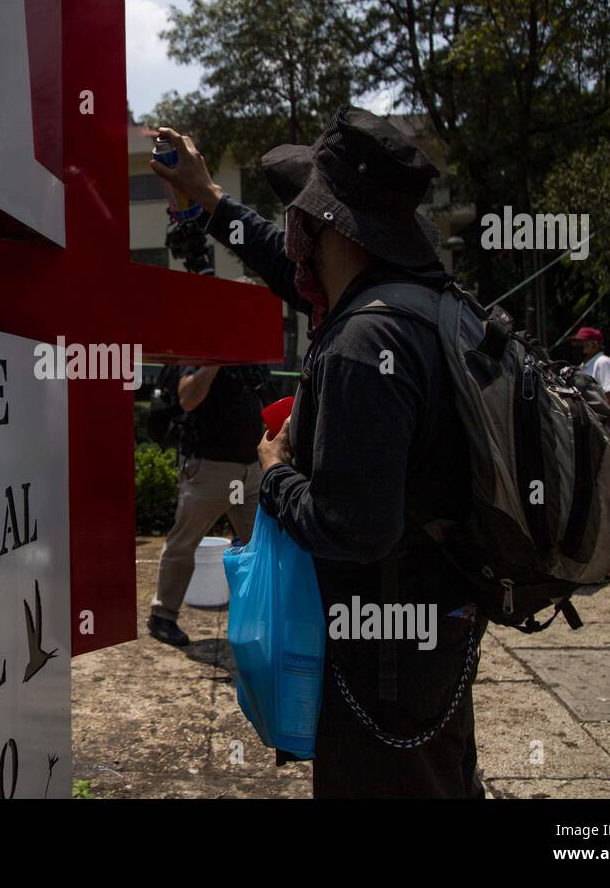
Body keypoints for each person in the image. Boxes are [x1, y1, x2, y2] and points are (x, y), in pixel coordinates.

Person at [151, 106, 483, 798]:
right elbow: (281, 259)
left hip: (382, 660)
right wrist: (211, 200)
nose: (292, 229)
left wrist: (273, 475)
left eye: (301, 212)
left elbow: (351, 529)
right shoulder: (423, 306)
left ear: (324, 227)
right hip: (433, 630)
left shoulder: (366, 344)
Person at [148, 364, 271, 646]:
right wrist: (214, 362)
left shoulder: (249, 361)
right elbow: (187, 398)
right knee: (184, 542)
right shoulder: (202, 354)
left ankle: (262, 614)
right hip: (209, 469)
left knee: (262, 545)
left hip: (249, 470)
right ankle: (162, 615)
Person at [570, 327, 610, 415]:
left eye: (581, 343)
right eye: (575, 343)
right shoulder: (582, 367)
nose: (576, 346)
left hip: (603, 426)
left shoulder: (603, 362)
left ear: (594, 345)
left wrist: (603, 421)